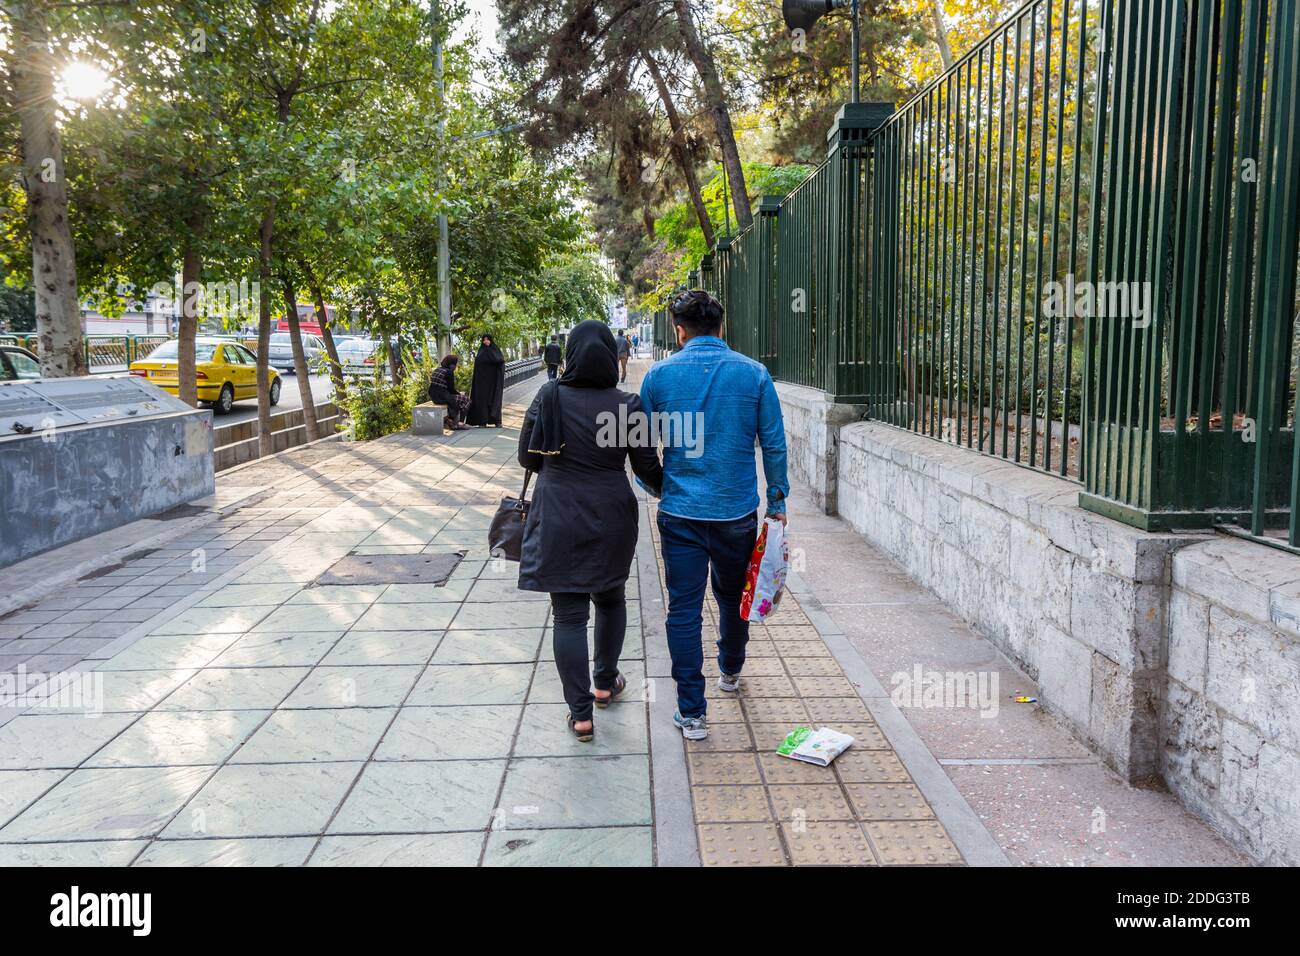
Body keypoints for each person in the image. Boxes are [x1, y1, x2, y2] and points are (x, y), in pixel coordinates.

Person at [639, 290, 789, 741]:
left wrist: (662, 487)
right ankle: (730, 668)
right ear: (721, 328)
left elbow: (642, 446)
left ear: (678, 330)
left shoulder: (658, 377)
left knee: (683, 608)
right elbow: (774, 444)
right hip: (736, 512)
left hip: (680, 514)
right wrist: (777, 502)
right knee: (731, 597)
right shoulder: (754, 374)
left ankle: (692, 713)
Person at [518, 320, 663, 742]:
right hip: (611, 514)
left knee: (567, 614)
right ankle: (605, 683)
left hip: (558, 513)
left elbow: (527, 458)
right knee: (611, 597)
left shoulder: (549, 397)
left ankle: (581, 715)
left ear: (571, 356)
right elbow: (647, 468)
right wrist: (673, 492)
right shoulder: (627, 405)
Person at [466, 334, 505, 426]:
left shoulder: (495, 350)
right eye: (484, 340)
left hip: (494, 382)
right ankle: (482, 421)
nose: (486, 341)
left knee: (494, 400)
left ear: (491, 340)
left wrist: (490, 352)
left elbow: (500, 361)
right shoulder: (481, 351)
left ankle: (497, 421)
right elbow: (478, 365)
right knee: (482, 401)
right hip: (482, 383)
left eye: (487, 339)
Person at [427, 355, 471, 431]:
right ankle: (459, 423)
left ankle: (450, 420)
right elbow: (451, 389)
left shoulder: (437, 369)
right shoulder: (449, 372)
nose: (455, 366)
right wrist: (459, 394)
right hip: (442, 397)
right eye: (455, 364)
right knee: (466, 400)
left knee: (456, 400)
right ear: (451, 364)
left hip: (434, 396)